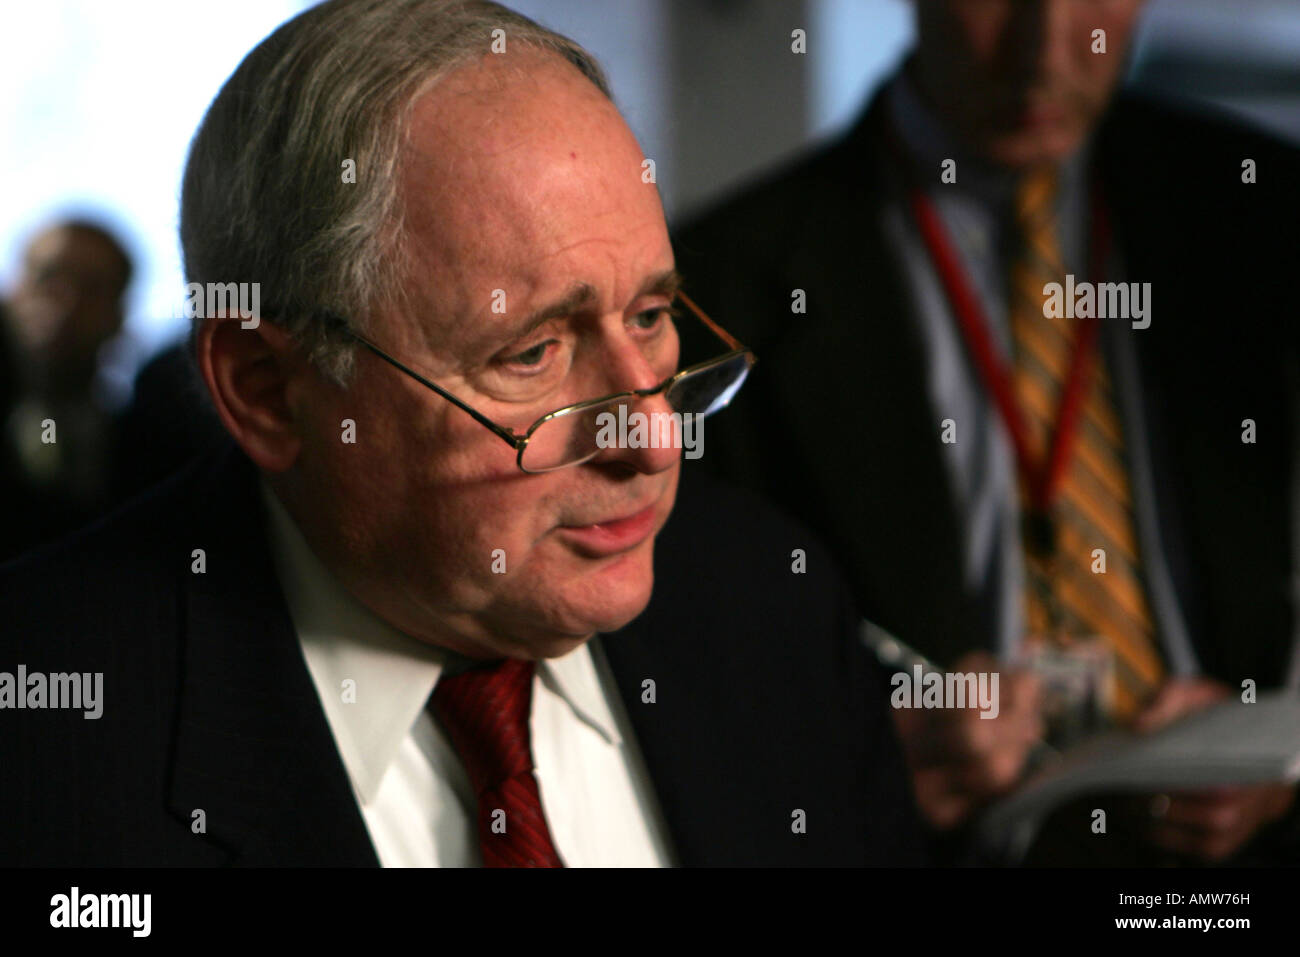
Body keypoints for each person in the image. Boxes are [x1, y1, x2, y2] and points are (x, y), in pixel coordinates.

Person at [0, 0, 922, 867]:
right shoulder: (46, 744)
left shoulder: (777, 606)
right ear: (268, 391)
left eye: (650, 315)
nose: (652, 441)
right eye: (532, 354)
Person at [674, 0, 1299, 863]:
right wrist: (848, 753)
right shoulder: (720, 295)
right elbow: (689, 686)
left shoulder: (1265, 213)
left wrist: (1279, 751)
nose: (1045, 48)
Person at [0, 218, 133, 561]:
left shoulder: (143, 441)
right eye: (46, 278)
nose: (66, 300)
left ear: (119, 315)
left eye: (91, 288)